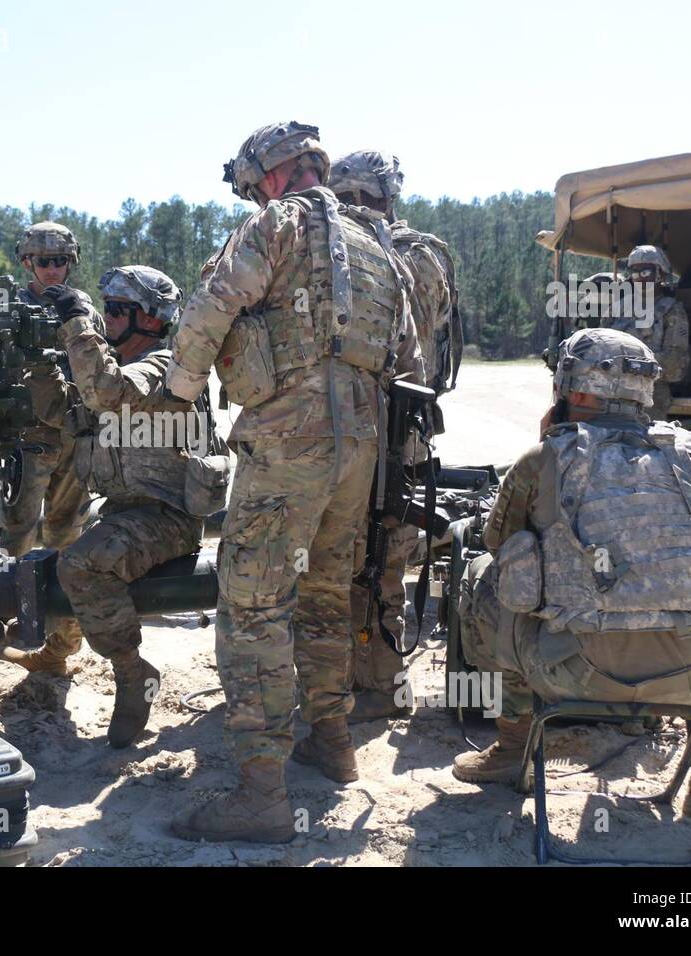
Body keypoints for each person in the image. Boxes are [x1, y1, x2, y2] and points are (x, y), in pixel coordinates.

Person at [165, 122, 419, 843]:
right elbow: (406, 351)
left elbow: (213, 303)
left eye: (253, 185)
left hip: (288, 444)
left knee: (251, 603)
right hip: (358, 446)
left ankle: (260, 793)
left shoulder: (276, 223)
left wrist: (181, 388)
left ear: (270, 176)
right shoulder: (378, 245)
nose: (253, 195)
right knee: (325, 594)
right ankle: (332, 742)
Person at [452, 328, 691, 821]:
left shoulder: (543, 459)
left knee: (487, 576)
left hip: (570, 672)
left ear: (573, 390)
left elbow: (500, 543)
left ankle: (513, 747)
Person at [27, 266, 212, 746]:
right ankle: (57, 651)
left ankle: (133, 674)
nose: (106, 319)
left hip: (167, 516)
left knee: (81, 563)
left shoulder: (165, 366)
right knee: (61, 548)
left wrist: (76, 325)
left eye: (115, 311)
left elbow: (107, 394)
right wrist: (42, 360)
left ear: (148, 319)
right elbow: (61, 414)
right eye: (104, 310)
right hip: (125, 511)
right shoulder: (111, 366)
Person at [329, 150, 459, 722]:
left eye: (365, 199)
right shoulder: (336, 250)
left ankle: (379, 684)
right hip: (351, 431)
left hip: (395, 434)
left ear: (388, 199)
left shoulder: (414, 254)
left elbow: (417, 319)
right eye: (347, 200)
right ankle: (347, 677)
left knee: (380, 559)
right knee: (347, 560)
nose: (357, 211)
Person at [0, 222, 96, 676]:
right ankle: (11, 626)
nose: (53, 270)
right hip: (28, 440)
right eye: (44, 262)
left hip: (74, 441)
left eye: (61, 262)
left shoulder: (82, 307)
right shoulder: (3, 307)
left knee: (66, 538)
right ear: (26, 263)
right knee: (16, 537)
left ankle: (61, 642)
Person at [617, 244, 688, 419]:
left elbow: (674, 364)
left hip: (650, 396)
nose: (639, 278)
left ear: (660, 273)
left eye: (645, 272)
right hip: (613, 391)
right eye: (634, 272)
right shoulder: (616, 309)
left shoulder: (671, 310)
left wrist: (630, 365)